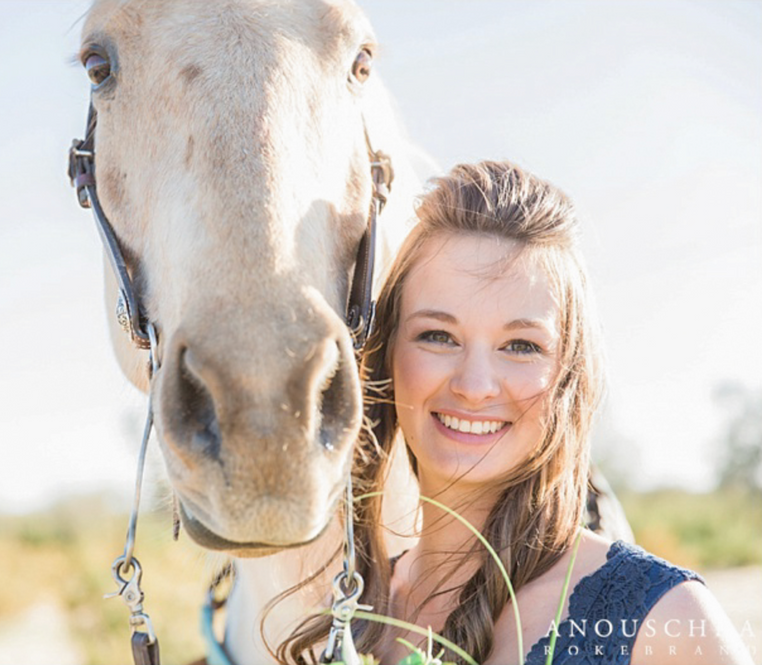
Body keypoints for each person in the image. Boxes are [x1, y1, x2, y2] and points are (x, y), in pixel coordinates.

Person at [279, 161, 749, 664]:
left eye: (520, 346)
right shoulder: (351, 613)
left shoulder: (665, 623)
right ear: (386, 353)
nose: (475, 386)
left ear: (568, 371)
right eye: (437, 336)